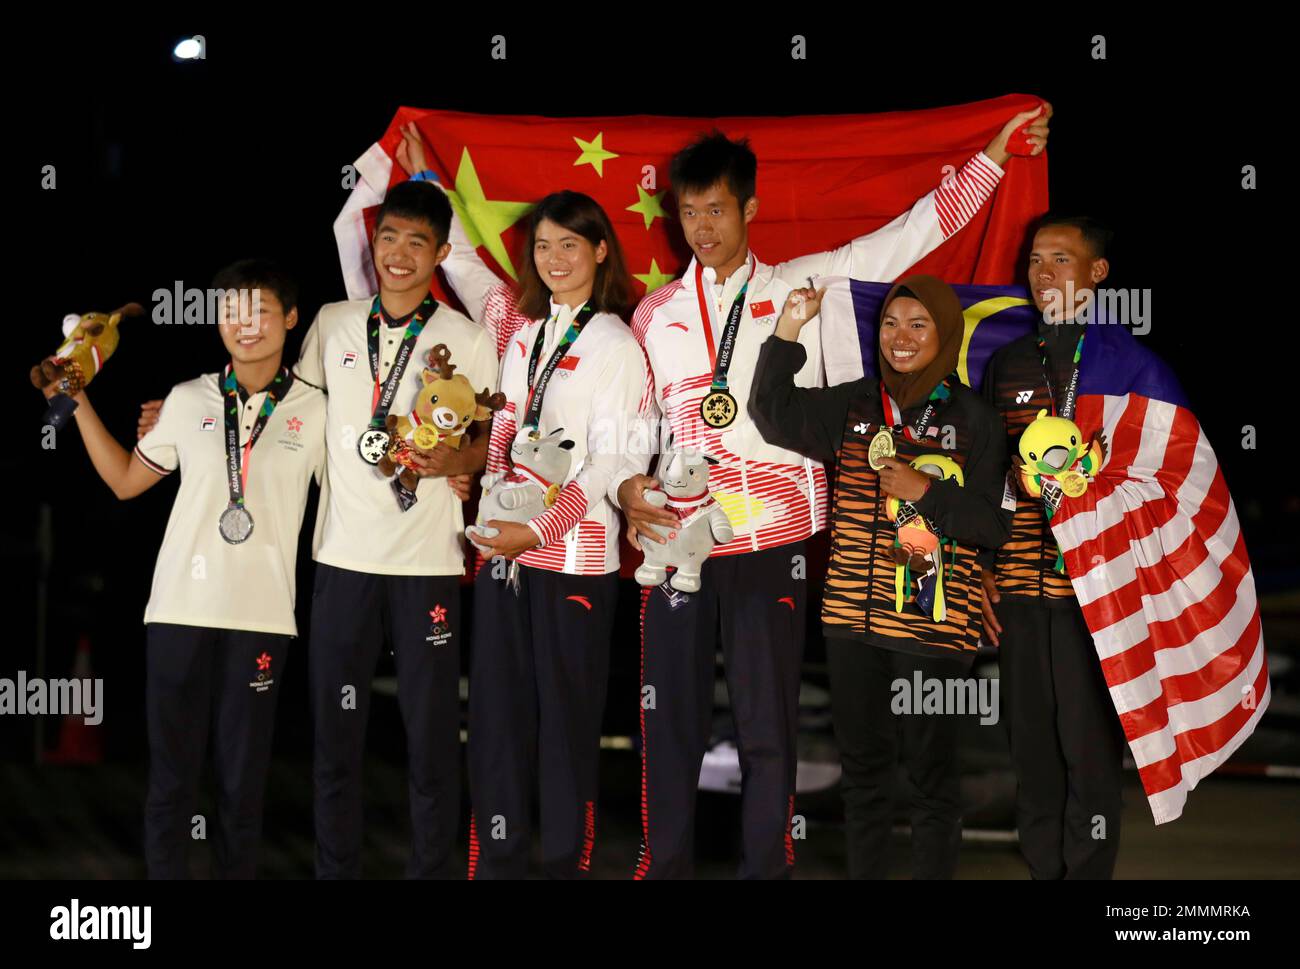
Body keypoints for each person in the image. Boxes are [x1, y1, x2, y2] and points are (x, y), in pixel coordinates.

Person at [611, 105, 1049, 879]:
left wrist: (994, 156)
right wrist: (624, 485)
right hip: (676, 540)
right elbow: (636, 425)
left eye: (717, 208)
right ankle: (667, 865)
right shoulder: (654, 314)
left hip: (770, 542)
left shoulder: (806, 291)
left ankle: (766, 870)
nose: (703, 225)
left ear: (748, 208)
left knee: (767, 726)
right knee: (667, 721)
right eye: (688, 210)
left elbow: (911, 234)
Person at [142, 183, 498, 878]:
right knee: (336, 743)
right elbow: (281, 405)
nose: (397, 254)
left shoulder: (469, 338)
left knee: (430, 744)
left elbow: (485, 441)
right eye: (388, 238)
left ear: (441, 254)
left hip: (426, 560)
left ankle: (431, 870)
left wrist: (453, 462)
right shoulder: (334, 322)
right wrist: (178, 412)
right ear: (374, 243)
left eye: (416, 242)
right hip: (340, 563)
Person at [395, 125, 649, 878]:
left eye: (571, 244)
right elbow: (467, 269)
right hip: (503, 557)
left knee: (565, 728)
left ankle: (566, 861)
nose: (555, 258)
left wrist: (535, 528)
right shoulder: (522, 332)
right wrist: (427, 182)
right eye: (543, 245)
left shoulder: (616, 343)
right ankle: (499, 861)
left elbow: (612, 461)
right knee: (498, 720)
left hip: (571, 560)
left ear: (601, 251)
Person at [47, 259, 325, 878]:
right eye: (231, 312)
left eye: (258, 311)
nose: (244, 324)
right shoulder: (187, 398)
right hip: (177, 612)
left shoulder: (320, 412)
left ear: (290, 317)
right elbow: (124, 482)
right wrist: (79, 400)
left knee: (241, 788)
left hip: (261, 619)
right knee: (171, 785)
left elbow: (356, 495)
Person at [750, 277, 1010, 878]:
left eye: (918, 325)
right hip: (851, 623)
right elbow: (772, 411)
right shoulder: (856, 403)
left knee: (929, 779)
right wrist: (790, 326)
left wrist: (927, 492)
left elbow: (996, 525)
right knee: (863, 778)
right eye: (891, 323)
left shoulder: (978, 421)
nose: (901, 338)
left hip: (934, 631)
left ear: (944, 335)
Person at [978, 214, 1128, 879]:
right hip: (1019, 586)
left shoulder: (1126, 363)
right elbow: (986, 477)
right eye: (1036, 259)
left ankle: (1089, 872)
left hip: (1095, 593)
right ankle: (1044, 867)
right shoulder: (1008, 363)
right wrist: (983, 565)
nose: (1043, 273)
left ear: (1096, 273)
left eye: (1061, 259)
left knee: (1089, 748)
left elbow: (1160, 471)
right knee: (1030, 745)